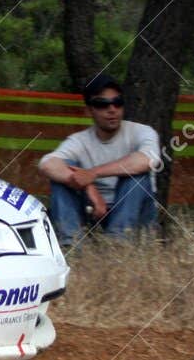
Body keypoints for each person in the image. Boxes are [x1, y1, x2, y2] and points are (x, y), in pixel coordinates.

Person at [38, 74, 159, 246]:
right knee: (65, 173)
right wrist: (87, 185)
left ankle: (118, 244)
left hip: (136, 216)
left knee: (137, 174)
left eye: (117, 102)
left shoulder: (143, 132)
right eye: (102, 104)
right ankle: (71, 245)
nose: (112, 109)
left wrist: (92, 174)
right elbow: (47, 164)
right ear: (89, 110)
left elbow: (147, 161)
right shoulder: (79, 140)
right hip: (94, 213)